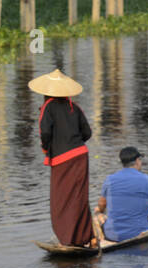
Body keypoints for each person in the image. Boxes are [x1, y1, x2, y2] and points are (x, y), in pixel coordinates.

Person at [30, 69, 96, 248]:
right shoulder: (74, 107)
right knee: (79, 196)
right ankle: (86, 236)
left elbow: (44, 133)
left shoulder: (47, 107)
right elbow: (87, 133)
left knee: (61, 200)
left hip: (61, 159)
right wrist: (73, 142)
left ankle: (68, 239)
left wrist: (47, 150)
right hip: (81, 156)